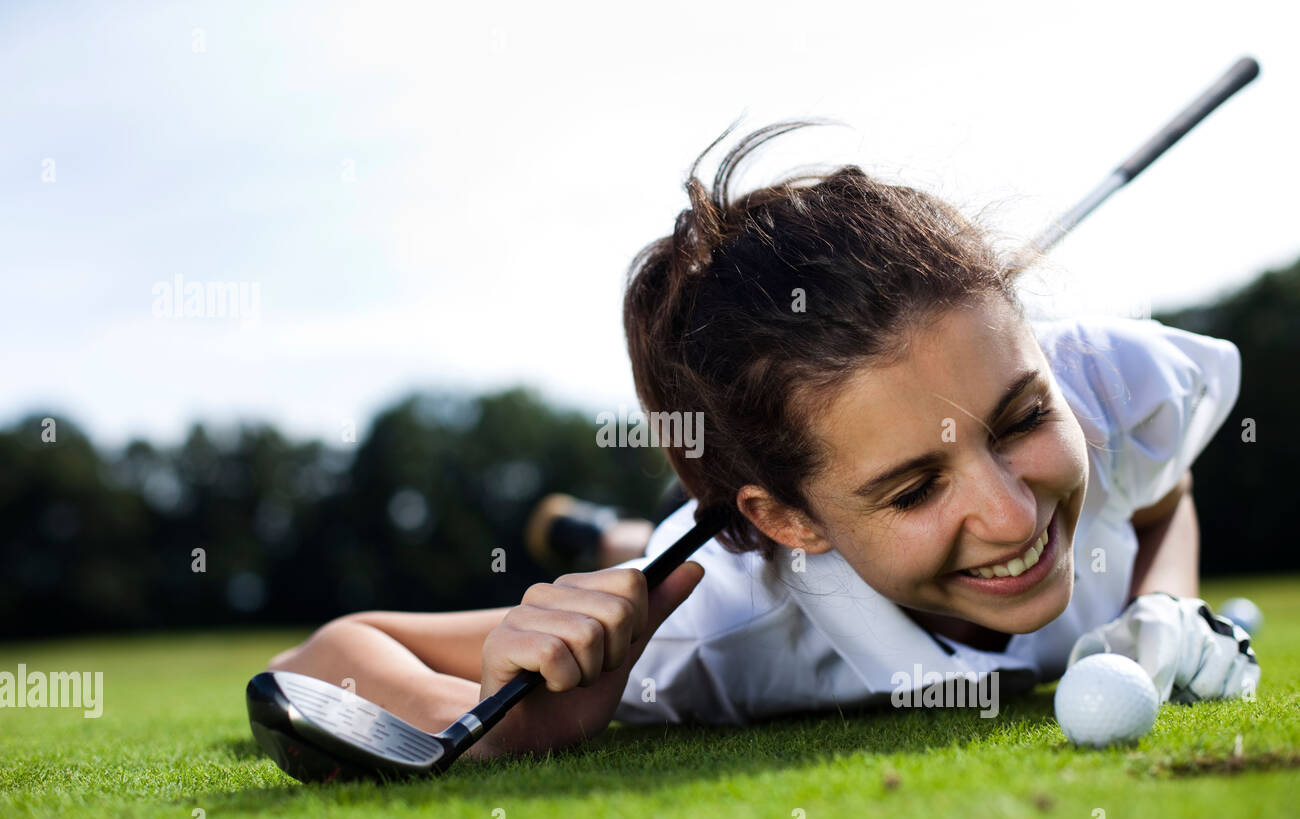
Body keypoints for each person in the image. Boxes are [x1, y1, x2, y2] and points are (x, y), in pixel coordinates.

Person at [266, 119, 1257, 758]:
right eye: (912, 488)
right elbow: (324, 655)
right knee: (656, 559)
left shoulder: (1107, 381)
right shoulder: (720, 634)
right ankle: (614, 542)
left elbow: (1160, 485)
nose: (1009, 510)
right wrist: (497, 733)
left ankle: (605, 531)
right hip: (737, 567)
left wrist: (1163, 607)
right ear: (787, 519)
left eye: (1022, 420)